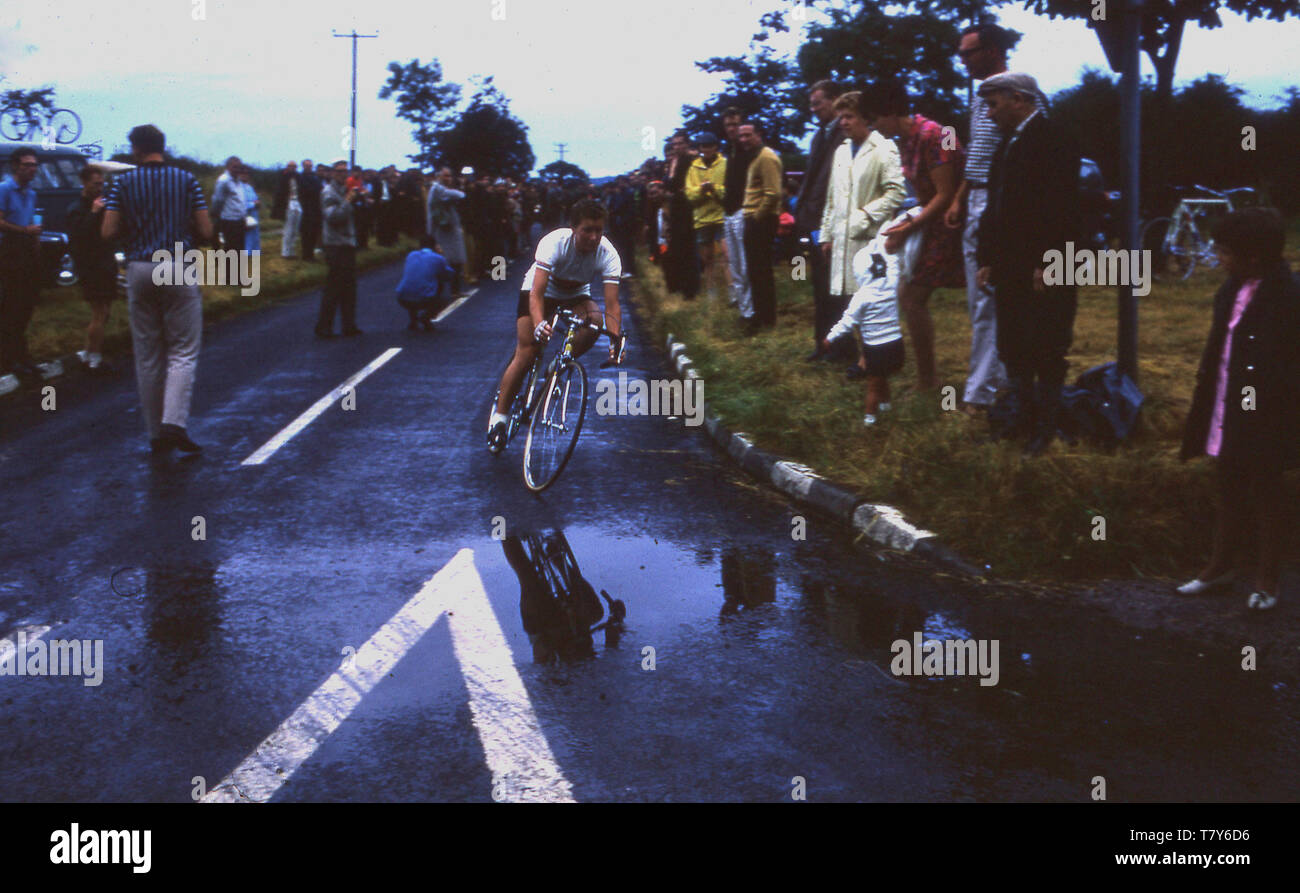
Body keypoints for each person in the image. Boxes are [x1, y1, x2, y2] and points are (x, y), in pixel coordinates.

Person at [1177, 207, 1299, 612]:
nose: (1218, 258)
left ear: (1254, 257)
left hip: (1267, 413)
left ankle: (1268, 577)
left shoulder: (1288, 296)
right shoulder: (1230, 289)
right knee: (1227, 482)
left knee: (1266, 491)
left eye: (1225, 251)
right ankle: (1220, 567)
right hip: (1226, 403)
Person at [946, 22, 1049, 417]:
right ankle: (1001, 381)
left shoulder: (1015, 93)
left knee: (990, 295)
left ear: (991, 51)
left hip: (999, 200)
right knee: (981, 299)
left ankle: (983, 391)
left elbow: (1009, 157)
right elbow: (977, 155)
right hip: (979, 197)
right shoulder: (983, 96)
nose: (962, 60)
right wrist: (960, 197)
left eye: (968, 52)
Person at [975, 72, 1080, 456]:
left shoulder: (1055, 140)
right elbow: (995, 207)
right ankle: (1021, 420)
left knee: (1048, 345)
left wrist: (1049, 262)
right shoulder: (1007, 145)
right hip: (1010, 264)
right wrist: (987, 258)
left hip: (1047, 264)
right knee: (1014, 344)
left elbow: (1064, 208)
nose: (989, 113)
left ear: (1019, 99)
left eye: (994, 104)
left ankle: (1045, 429)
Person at [101, 124, 214, 456]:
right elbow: (206, 229)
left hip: (139, 266)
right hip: (177, 265)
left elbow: (108, 232)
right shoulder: (186, 180)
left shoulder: (122, 182)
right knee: (182, 349)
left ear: (136, 148)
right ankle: (174, 423)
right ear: (161, 146)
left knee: (148, 354)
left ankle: (154, 433)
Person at [487, 199, 623, 453]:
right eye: (587, 230)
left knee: (595, 321)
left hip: (576, 293)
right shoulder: (554, 242)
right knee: (527, 353)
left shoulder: (608, 253)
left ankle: (560, 361)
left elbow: (612, 305)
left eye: (599, 230)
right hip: (542, 290)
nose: (594, 237)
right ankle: (500, 419)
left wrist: (616, 341)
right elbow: (536, 294)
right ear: (573, 229)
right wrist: (539, 323)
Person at [865, 82, 965, 393]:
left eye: (874, 120)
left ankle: (929, 381)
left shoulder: (934, 134)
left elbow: (945, 194)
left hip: (952, 222)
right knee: (909, 297)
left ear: (891, 113)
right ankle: (927, 378)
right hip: (931, 220)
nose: (872, 127)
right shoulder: (906, 139)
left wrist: (909, 227)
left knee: (913, 299)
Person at [818, 90, 906, 367]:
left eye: (849, 116)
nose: (843, 122)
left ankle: (869, 358)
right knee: (847, 295)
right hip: (842, 236)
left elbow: (896, 193)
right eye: (840, 117)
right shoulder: (841, 151)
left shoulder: (884, 148)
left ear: (864, 118)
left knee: (869, 296)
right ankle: (858, 352)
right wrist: (826, 234)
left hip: (871, 237)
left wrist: (865, 215)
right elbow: (832, 197)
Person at [820, 207, 920, 427]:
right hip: (896, 346)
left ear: (859, 273)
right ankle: (886, 406)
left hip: (875, 349)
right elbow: (893, 262)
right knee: (883, 378)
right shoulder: (891, 285)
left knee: (873, 384)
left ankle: (870, 419)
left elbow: (847, 322)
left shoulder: (861, 297)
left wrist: (830, 338)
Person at [794, 80, 847, 362]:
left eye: (818, 103)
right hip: (813, 222)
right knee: (820, 286)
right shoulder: (819, 136)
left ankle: (839, 347)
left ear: (836, 99)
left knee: (835, 287)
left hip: (834, 222)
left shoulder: (846, 133)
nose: (814, 109)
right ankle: (823, 343)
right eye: (811, 104)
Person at [66, 165, 121, 373]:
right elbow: (79, 236)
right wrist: (94, 212)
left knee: (104, 313)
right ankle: (94, 359)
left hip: (106, 263)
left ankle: (89, 352)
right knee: (100, 312)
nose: (100, 188)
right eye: (96, 184)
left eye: (102, 184)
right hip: (91, 266)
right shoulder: (76, 208)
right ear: (84, 183)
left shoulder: (103, 205)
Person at [0, 149, 45, 382]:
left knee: (26, 304)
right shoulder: (5, 189)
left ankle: (22, 355)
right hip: (10, 249)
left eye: (35, 165)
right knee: (12, 305)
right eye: (28, 165)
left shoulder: (31, 193)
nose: (33, 169)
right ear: (16, 166)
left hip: (27, 250)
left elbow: (30, 221)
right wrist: (24, 232)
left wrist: (34, 239)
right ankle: (10, 357)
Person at [739, 122, 784, 333]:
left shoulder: (766, 157)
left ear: (759, 134)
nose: (744, 140)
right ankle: (761, 315)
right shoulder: (755, 156)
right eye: (742, 136)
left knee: (761, 270)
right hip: (755, 218)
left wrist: (756, 217)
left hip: (762, 220)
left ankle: (766, 318)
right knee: (755, 270)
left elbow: (773, 193)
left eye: (748, 135)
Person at [316, 158, 363, 338]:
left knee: (349, 287)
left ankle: (348, 325)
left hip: (347, 243)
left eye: (345, 171)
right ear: (332, 173)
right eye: (339, 171)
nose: (343, 174)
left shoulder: (345, 190)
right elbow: (333, 218)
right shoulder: (328, 192)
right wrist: (348, 201)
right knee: (334, 288)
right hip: (335, 244)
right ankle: (324, 326)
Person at [684, 132, 728, 301]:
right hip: (702, 219)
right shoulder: (693, 168)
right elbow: (690, 195)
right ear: (700, 148)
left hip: (722, 217)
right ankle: (712, 292)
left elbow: (728, 192)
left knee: (727, 255)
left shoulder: (724, 164)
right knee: (708, 260)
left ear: (716, 147)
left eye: (710, 146)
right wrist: (702, 190)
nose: (707, 149)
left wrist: (714, 188)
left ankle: (732, 290)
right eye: (703, 146)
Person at [721, 108, 754, 310]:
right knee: (734, 265)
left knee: (744, 264)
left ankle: (750, 309)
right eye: (728, 125)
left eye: (735, 124)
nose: (732, 129)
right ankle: (744, 309)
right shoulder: (730, 150)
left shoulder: (748, 150)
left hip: (744, 211)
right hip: (729, 212)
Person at [663, 132, 700, 300]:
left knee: (688, 250)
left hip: (687, 208)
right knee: (675, 249)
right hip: (674, 209)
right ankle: (677, 285)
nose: (677, 147)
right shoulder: (672, 161)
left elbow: (691, 185)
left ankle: (690, 290)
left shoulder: (691, 160)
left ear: (686, 144)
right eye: (674, 144)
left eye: (680, 144)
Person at [395, 234, 455, 331]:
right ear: (435, 246)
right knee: (444, 295)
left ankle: (413, 321)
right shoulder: (438, 258)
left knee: (414, 285)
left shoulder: (411, 255)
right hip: (424, 299)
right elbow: (449, 275)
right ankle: (426, 317)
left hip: (402, 298)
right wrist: (441, 255)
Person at [427, 167, 467, 296]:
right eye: (445, 176)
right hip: (442, 231)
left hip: (450, 230)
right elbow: (459, 195)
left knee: (455, 262)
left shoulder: (440, 190)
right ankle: (439, 292)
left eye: (449, 176)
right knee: (445, 262)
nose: (448, 179)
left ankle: (454, 290)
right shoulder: (437, 189)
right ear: (439, 176)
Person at [212, 156, 247, 251]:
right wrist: (216, 216)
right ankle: (229, 266)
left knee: (239, 249)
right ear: (228, 167)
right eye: (234, 167)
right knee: (231, 250)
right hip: (229, 221)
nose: (237, 170)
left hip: (240, 220)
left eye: (239, 167)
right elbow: (217, 200)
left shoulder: (238, 181)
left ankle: (237, 266)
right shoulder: (224, 180)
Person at [272, 160, 301, 258]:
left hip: (297, 202)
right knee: (288, 228)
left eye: (294, 167)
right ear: (287, 167)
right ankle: (285, 252)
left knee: (295, 229)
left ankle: (292, 251)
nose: (293, 168)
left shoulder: (298, 177)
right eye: (291, 166)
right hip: (288, 204)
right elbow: (279, 192)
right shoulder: (283, 177)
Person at [298, 159, 323, 261]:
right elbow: (307, 190)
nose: (309, 167)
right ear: (303, 166)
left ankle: (310, 254)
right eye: (307, 166)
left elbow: (320, 189)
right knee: (306, 233)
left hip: (316, 208)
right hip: (306, 208)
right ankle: (306, 255)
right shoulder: (300, 177)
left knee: (313, 232)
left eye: (310, 166)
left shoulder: (314, 177)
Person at [239, 166, 260, 253]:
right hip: (244, 214)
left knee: (254, 234)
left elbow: (255, 199)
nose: (245, 175)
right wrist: (253, 204)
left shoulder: (249, 187)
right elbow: (239, 203)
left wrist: (258, 203)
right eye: (243, 173)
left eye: (247, 174)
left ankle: (254, 251)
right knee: (246, 235)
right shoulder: (238, 187)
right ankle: (246, 253)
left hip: (254, 214)